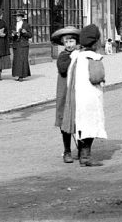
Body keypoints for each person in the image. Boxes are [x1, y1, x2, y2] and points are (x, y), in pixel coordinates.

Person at [60, 23, 107, 167]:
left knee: (80, 124)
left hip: (75, 95)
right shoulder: (93, 57)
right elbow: (97, 77)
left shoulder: (75, 56)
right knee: (90, 124)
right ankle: (85, 156)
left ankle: (82, 154)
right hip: (90, 97)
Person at [51, 25, 80, 164]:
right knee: (65, 120)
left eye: (72, 41)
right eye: (66, 42)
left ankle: (82, 148)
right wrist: (72, 58)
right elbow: (63, 70)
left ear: (76, 42)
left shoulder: (80, 55)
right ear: (63, 43)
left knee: (79, 119)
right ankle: (67, 151)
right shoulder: (63, 56)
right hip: (65, 91)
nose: (69, 44)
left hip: (78, 90)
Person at [10, 11, 32, 81]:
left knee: (22, 59)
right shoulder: (13, 25)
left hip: (23, 44)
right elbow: (10, 35)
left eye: (19, 16)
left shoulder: (26, 25)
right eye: (16, 16)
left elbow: (30, 35)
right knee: (16, 60)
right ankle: (18, 74)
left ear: (22, 17)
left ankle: (21, 76)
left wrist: (24, 33)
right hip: (16, 44)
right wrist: (13, 35)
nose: (17, 18)